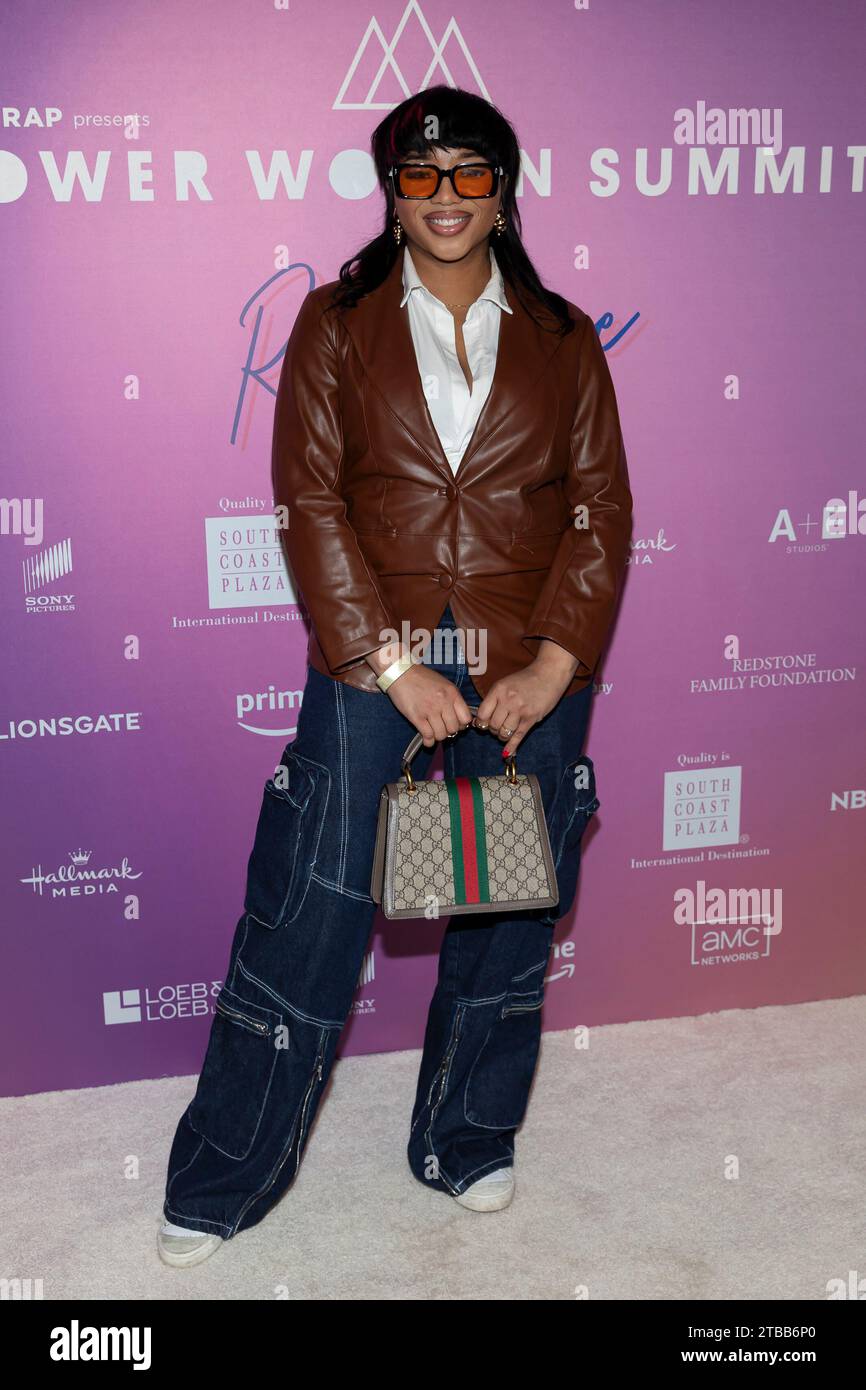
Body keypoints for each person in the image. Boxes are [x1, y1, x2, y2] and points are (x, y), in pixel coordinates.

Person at [158, 85, 632, 1268]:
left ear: (503, 188)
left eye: (470, 173)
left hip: (530, 667)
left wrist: (555, 663)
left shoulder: (564, 335)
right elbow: (308, 501)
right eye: (420, 177)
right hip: (377, 666)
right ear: (391, 190)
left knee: (506, 910)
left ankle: (466, 1139)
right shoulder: (335, 318)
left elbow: (599, 511)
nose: (445, 198)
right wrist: (387, 661)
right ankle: (223, 1177)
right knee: (310, 913)